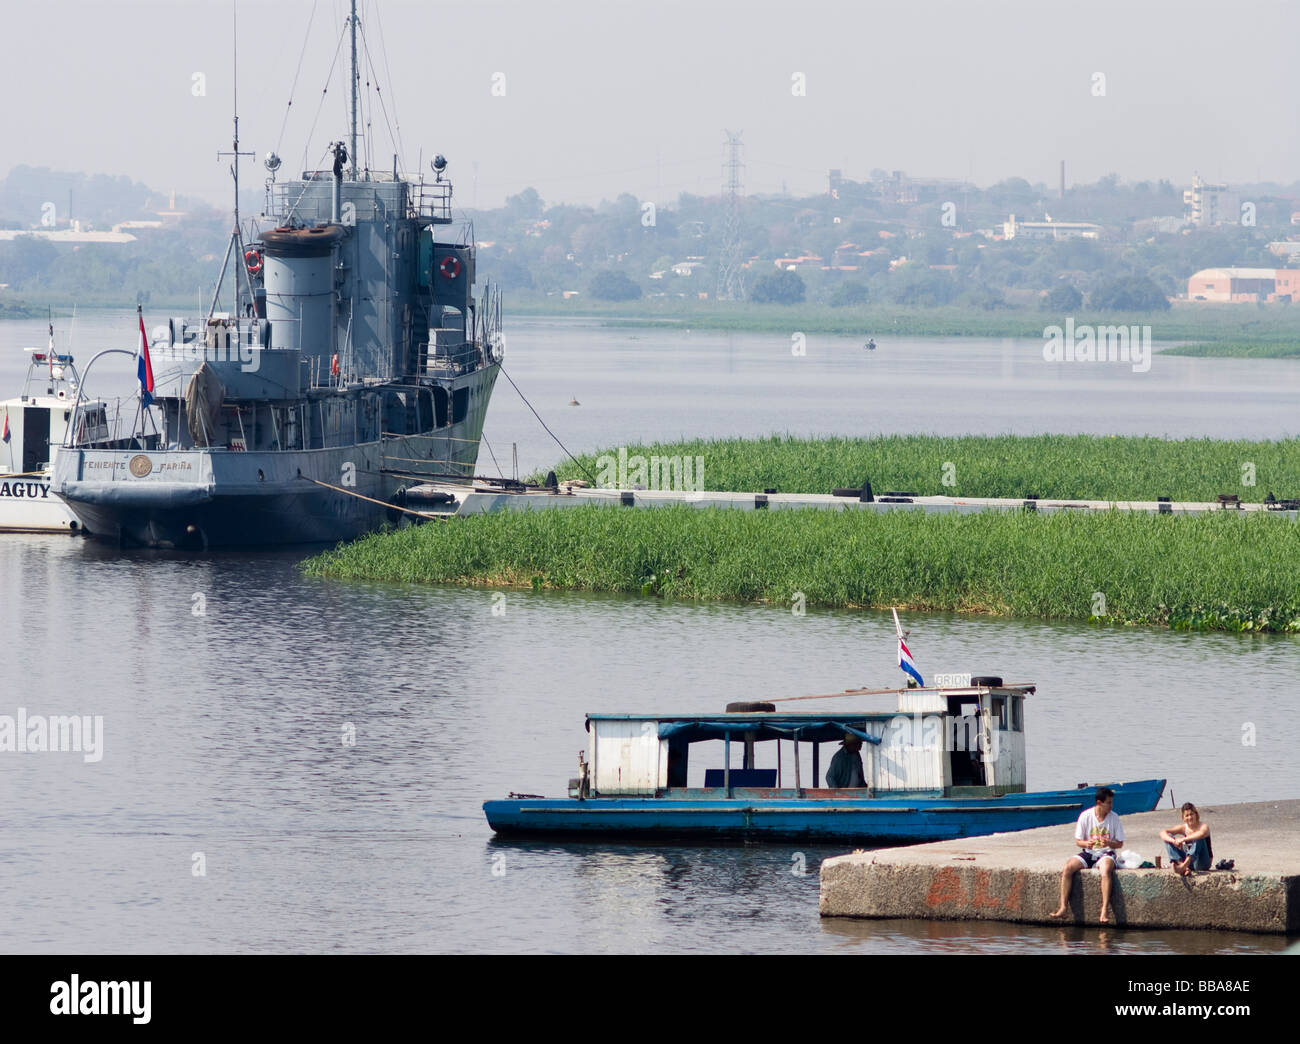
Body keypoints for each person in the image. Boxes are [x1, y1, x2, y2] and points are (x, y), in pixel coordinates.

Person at [1050, 786, 1124, 924]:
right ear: (1099, 803)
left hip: (1106, 853)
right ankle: (1063, 907)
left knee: (1106, 870)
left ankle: (1104, 909)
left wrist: (1109, 843)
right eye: (1108, 803)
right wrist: (1086, 844)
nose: (1111, 806)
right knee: (1068, 868)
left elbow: (1120, 844)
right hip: (1089, 852)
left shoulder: (1114, 818)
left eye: (1111, 802)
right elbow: (1078, 841)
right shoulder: (1085, 816)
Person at [1160, 802, 1212, 876]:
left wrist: (1183, 840)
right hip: (1189, 863)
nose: (1190, 817)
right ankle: (1183, 866)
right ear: (1183, 818)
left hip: (1202, 862)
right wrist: (1174, 841)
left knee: (1199, 838)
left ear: (1196, 814)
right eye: (1187, 815)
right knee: (1168, 837)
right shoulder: (1184, 827)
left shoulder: (1203, 826)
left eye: (1191, 814)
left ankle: (1183, 867)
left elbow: (1201, 834)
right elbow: (1163, 832)